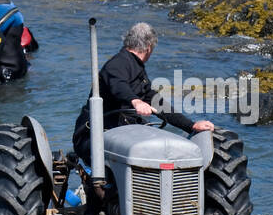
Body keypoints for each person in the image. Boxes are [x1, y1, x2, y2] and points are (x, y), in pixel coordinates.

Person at [71, 21, 214, 162]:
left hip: (123, 132)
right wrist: (136, 101)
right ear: (149, 47)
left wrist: (190, 125)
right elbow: (118, 85)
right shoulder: (117, 64)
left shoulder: (137, 70)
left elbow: (157, 102)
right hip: (91, 137)